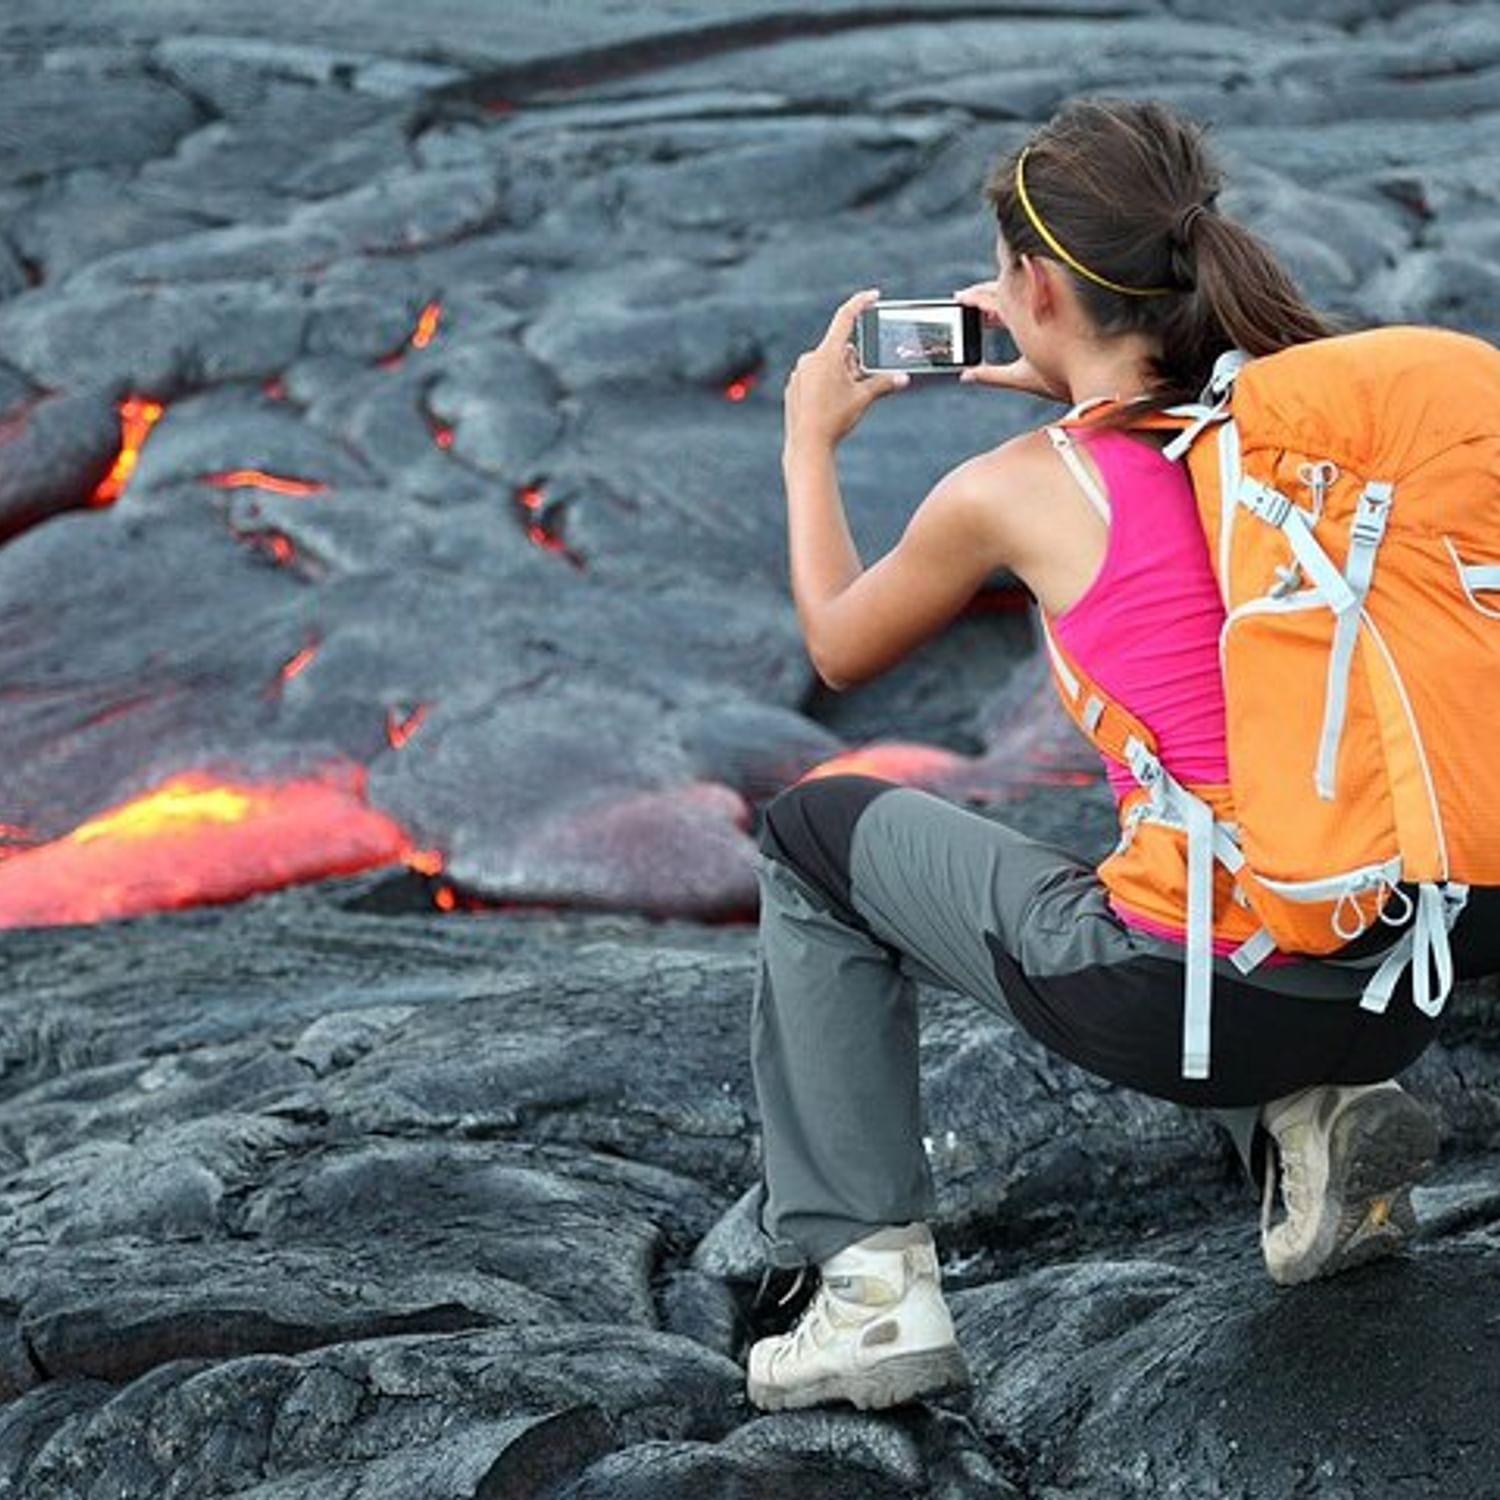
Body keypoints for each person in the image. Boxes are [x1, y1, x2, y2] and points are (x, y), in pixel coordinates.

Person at [744, 98, 1490, 1415]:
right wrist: (1077, 371)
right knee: (1234, 817)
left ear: (1034, 288)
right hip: (1400, 969)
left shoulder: (1016, 489)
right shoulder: (1302, 442)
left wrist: (811, 441)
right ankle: (1315, 1122)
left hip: (1197, 1006)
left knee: (814, 838)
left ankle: (869, 1296)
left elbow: (840, 644)